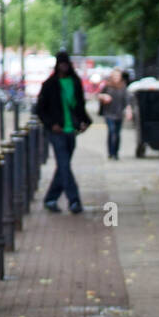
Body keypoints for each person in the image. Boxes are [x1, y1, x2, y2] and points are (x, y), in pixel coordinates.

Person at [33, 51, 91, 213]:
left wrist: (84, 121)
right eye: (61, 64)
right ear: (57, 65)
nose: (64, 67)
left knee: (63, 167)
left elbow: (79, 105)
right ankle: (74, 201)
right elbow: (39, 110)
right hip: (56, 131)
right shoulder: (49, 84)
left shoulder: (75, 81)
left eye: (66, 63)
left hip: (71, 130)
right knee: (64, 164)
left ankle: (51, 198)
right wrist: (51, 125)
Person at [97, 67, 130, 160]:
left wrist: (128, 110)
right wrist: (104, 96)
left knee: (117, 133)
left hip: (119, 113)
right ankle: (110, 152)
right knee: (111, 132)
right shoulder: (107, 86)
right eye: (115, 75)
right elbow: (99, 95)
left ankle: (116, 152)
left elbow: (126, 100)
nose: (116, 77)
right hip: (108, 113)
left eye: (118, 75)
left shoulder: (123, 86)